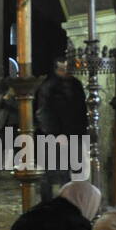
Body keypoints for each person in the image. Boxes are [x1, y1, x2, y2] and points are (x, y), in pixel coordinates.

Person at [34, 58, 88, 202]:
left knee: (71, 172)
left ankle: (66, 202)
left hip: (74, 134)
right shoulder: (49, 86)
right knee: (50, 172)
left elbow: (82, 109)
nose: (67, 72)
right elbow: (44, 113)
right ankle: (47, 203)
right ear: (57, 69)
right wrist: (56, 134)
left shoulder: (76, 85)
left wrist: (83, 132)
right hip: (53, 136)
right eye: (63, 69)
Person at [0, 76, 19, 181]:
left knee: (18, 150)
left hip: (15, 124)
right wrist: (7, 96)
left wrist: (10, 98)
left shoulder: (19, 93)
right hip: (3, 124)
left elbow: (17, 106)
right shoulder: (3, 92)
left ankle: (19, 172)